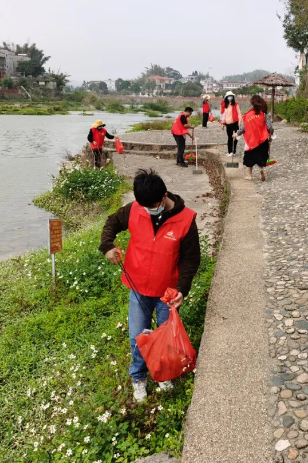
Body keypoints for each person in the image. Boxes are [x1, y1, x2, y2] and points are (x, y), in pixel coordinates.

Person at [100, 168, 201, 403]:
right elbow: (111, 223)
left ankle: (162, 373)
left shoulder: (186, 220)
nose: (148, 210)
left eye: (152, 206)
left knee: (165, 338)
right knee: (137, 337)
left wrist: (182, 289)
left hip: (167, 293)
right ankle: (138, 377)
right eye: (143, 206)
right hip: (138, 288)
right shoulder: (135, 208)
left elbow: (190, 259)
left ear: (164, 195)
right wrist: (107, 246)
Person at [235, 95, 274, 182]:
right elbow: (269, 127)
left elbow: (243, 128)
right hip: (263, 140)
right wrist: (271, 135)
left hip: (252, 141)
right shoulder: (264, 113)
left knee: (249, 158)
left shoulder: (248, 115)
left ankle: (249, 176)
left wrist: (236, 134)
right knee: (261, 156)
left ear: (252, 104)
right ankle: (261, 169)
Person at [220, 91, 242, 157]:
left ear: (233, 97)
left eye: (231, 96)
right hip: (228, 124)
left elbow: (239, 114)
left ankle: (234, 151)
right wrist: (222, 124)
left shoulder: (236, 105)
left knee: (235, 137)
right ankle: (230, 152)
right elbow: (223, 115)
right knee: (229, 138)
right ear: (226, 97)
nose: (230, 97)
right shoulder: (225, 106)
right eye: (228, 96)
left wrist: (239, 122)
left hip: (235, 123)